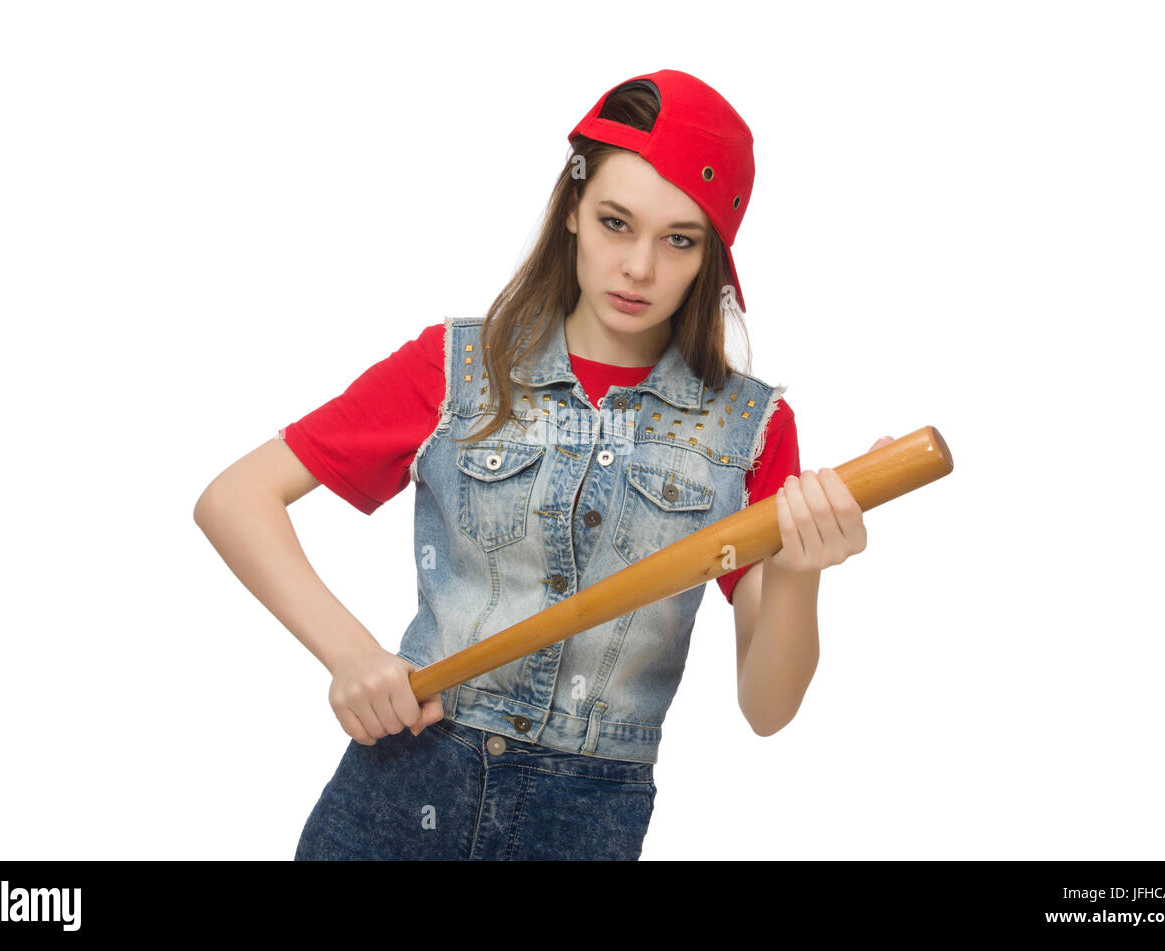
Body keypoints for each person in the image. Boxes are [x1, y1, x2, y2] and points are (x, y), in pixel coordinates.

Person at [194, 69, 892, 860]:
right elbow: (236, 497)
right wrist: (352, 655)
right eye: (615, 222)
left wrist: (803, 570)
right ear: (572, 207)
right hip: (403, 786)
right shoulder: (459, 368)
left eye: (678, 239)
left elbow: (767, 708)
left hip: (584, 824)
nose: (638, 267)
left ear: (711, 256)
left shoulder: (750, 429)